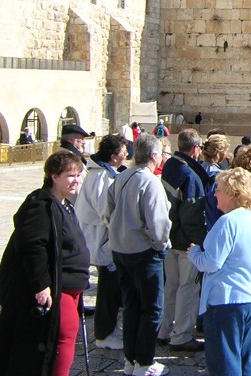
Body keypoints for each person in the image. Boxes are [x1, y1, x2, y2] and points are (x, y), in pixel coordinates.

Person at [0, 150, 89, 376]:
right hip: (56, 289)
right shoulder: (41, 205)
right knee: (62, 339)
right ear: (54, 176)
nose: (76, 180)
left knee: (66, 339)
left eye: (79, 175)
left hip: (71, 287)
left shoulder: (63, 204)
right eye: (71, 175)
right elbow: (32, 246)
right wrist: (41, 284)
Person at [188, 168, 251, 376]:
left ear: (232, 193)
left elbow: (211, 262)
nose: (214, 194)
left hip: (227, 300)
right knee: (244, 358)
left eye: (219, 190)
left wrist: (194, 252)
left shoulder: (227, 222)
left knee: (225, 362)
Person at [106, 133, 172, 376]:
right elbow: (158, 223)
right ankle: (144, 361)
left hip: (120, 249)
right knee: (152, 308)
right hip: (144, 252)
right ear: (154, 155)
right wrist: (159, 245)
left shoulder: (122, 177)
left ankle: (131, 359)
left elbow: (108, 211)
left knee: (132, 306)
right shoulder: (150, 182)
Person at [75, 134, 128, 350]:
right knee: (108, 291)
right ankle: (104, 334)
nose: (127, 156)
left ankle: (109, 329)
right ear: (114, 157)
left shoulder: (105, 174)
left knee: (111, 289)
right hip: (101, 241)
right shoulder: (101, 178)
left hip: (104, 240)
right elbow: (106, 212)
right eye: (124, 152)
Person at [159, 129, 208, 353]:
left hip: (170, 239)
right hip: (187, 244)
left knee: (171, 287)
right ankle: (181, 336)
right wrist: (202, 243)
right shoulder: (190, 176)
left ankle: (164, 330)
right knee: (187, 290)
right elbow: (192, 217)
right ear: (196, 148)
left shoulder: (170, 166)